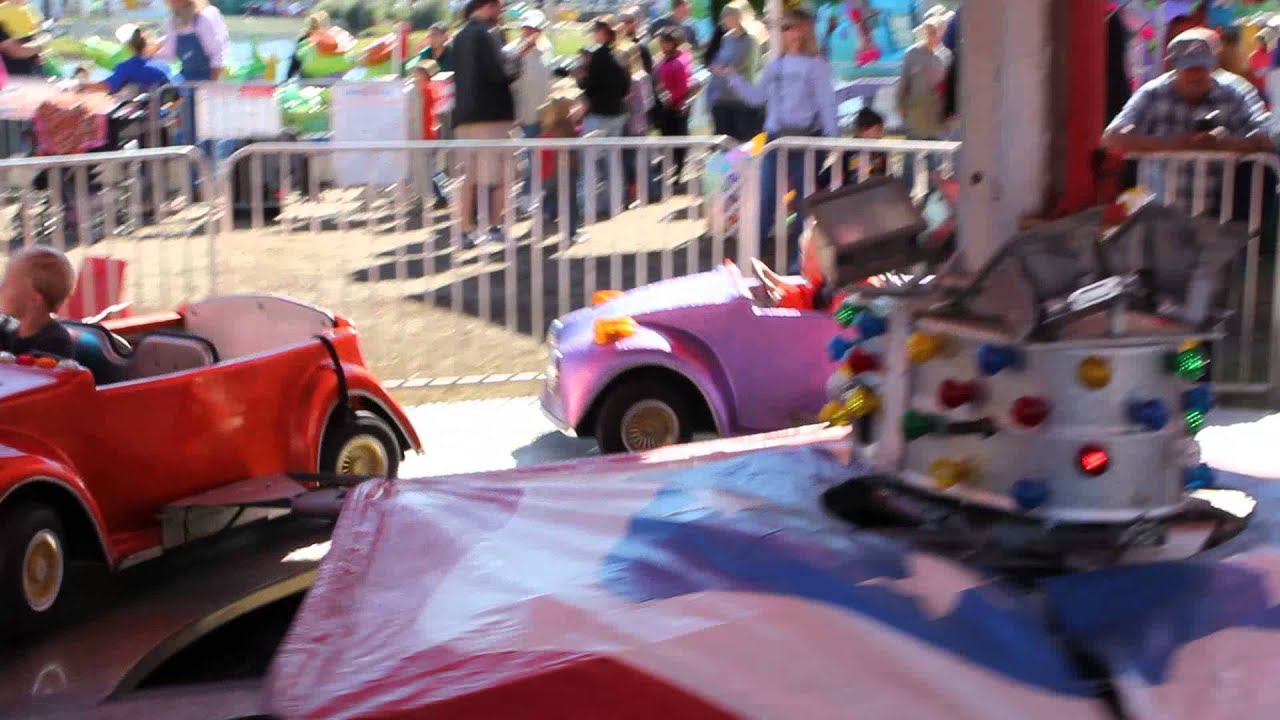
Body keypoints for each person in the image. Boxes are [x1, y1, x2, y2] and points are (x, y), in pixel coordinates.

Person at [1103, 28, 1274, 213]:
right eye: (1189, 67)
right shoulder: (1152, 93)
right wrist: (1169, 143)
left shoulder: (1234, 93)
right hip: (1159, 211)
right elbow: (1111, 137)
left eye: (1202, 67)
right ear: (1173, 66)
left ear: (1213, 64)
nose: (1196, 75)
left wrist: (1222, 144)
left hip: (1220, 213)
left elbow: (1266, 138)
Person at [715, 7, 837, 264]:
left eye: (787, 27)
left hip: (805, 141)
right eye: (782, 28)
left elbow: (827, 105)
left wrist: (832, 141)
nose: (782, 32)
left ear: (802, 32)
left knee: (805, 206)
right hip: (775, 140)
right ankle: (750, 260)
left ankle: (800, 262)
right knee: (767, 200)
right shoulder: (775, 65)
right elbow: (756, 97)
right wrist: (733, 77)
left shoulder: (816, 65)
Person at [452, 0, 520, 246]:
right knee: (501, 176)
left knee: (466, 179)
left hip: (463, 117)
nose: (501, 12)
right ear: (488, 6)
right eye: (499, 7)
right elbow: (500, 73)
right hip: (492, 117)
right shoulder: (489, 35)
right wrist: (516, 58)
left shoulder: (458, 37)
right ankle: (494, 226)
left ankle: (462, 230)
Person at [508, 9, 553, 213]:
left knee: (539, 158)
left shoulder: (547, 50)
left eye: (535, 28)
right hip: (523, 116)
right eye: (527, 28)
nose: (531, 32)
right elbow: (509, 84)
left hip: (544, 115)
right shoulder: (512, 52)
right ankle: (526, 195)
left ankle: (533, 196)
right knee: (528, 159)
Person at [0, 245, 75, 359]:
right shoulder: (9, 327)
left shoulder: (54, 343)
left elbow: (28, 375)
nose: (1, 288)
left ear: (34, 299)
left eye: (7, 284)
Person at [705, 3, 761, 142]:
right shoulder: (726, 39)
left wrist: (723, 69)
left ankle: (740, 163)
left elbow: (743, 64)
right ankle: (725, 164)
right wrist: (718, 68)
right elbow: (719, 60)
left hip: (741, 99)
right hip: (722, 98)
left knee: (741, 142)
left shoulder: (750, 41)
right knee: (723, 141)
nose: (725, 19)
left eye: (729, 16)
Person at [538, 84, 585, 242]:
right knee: (570, 200)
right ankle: (571, 232)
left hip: (550, 173)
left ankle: (546, 223)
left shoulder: (548, 130)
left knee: (553, 199)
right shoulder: (564, 130)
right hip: (563, 170)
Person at [897, 17, 950, 140]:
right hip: (916, 111)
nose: (933, 36)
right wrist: (900, 104)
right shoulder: (912, 54)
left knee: (935, 154)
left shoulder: (945, 56)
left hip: (936, 114)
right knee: (911, 152)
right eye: (930, 32)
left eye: (937, 32)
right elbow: (904, 81)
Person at [82, 24, 176, 94]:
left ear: (128, 46)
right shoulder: (164, 65)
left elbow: (107, 86)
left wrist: (81, 85)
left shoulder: (127, 67)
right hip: (169, 111)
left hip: (146, 115)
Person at [579, 17, 630, 137]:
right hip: (617, 112)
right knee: (613, 154)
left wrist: (581, 80)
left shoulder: (598, 56)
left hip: (600, 114)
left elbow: (590, 85)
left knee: (591, 153)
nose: (594, 34)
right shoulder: (620, 54)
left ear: (604, 33)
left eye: (596, 31)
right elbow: (626, 86)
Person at [155, 0, 229, 82]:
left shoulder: (204, 18)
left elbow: (217, 54)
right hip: (188, 79)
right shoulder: (171, 22)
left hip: (208, 78)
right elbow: (169, 53)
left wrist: (212, 82)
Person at [653, 28, 691, 182]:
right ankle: (669, 168)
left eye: (665, 42)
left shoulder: (679, 62)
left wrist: (671, 99)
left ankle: (680, 171)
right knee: (666, 139)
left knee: (678, 141)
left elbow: (682, 87)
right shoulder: (663, 60)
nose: (662, 45)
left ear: (673, 43)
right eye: (661, 42)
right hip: (664, 106)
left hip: (676, 107)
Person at [0, 0, 45, 76]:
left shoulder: (29, 9)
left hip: (27, 66)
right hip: (12, 72)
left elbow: (38, 27)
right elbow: (16, 51)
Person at [286, 11, 327, 79]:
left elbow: (295, 61)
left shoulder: (303, 39)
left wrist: (288, 77)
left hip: (307, 76)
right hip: (324, 76)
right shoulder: (327, 39)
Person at [1248, 29, 1272, 98]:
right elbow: (1252, 73)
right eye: (1257, 41)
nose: (1258, 43)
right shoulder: (1253, 56)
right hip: (1261, 89)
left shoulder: (1274, 53)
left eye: (1260, 41)